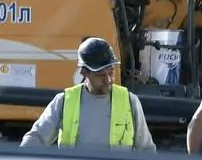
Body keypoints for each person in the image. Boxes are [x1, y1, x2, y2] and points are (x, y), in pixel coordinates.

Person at [20, 37, 157, 151]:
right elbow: (35, 138)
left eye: (111, 72)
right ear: (84, 73)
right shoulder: (64, 101)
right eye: (101, 75)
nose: (108, 79)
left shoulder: (130, 101)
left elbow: (146, 150)